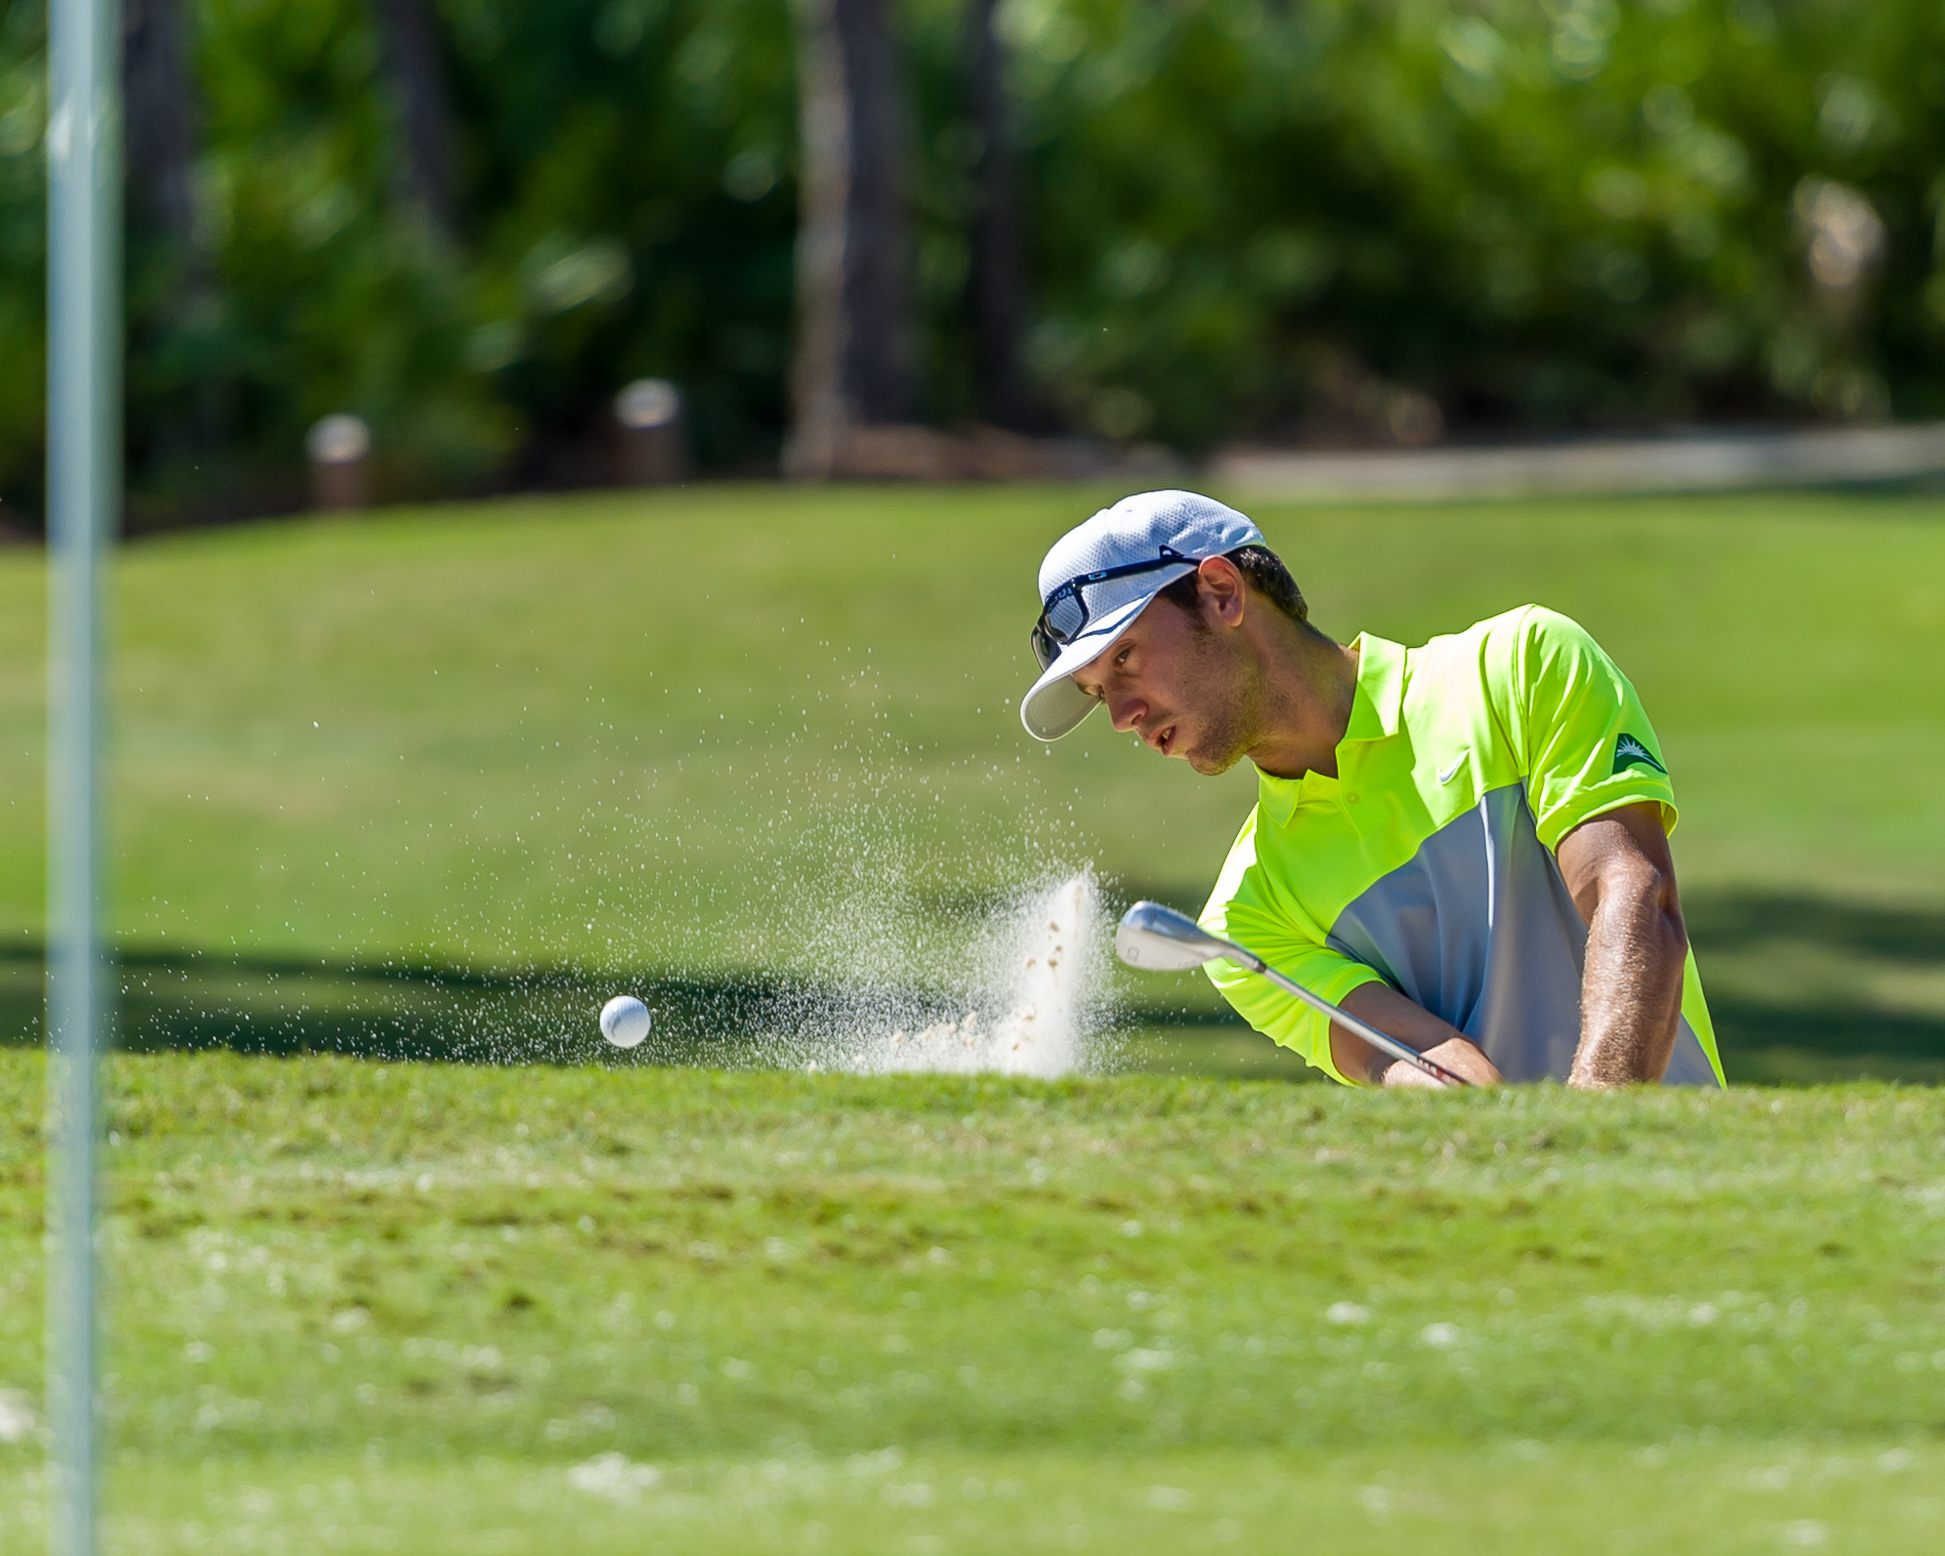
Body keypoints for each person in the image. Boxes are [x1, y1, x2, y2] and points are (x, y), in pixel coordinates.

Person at [1019, 490, 1723, 1089]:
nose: (1121, 717)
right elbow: (1427, 1070)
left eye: (1125, 659)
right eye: (1099, 693)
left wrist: (1597, 1132)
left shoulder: (1520, 665)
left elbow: (1634, 899)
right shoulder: (1246, 919)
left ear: (1223, 593)